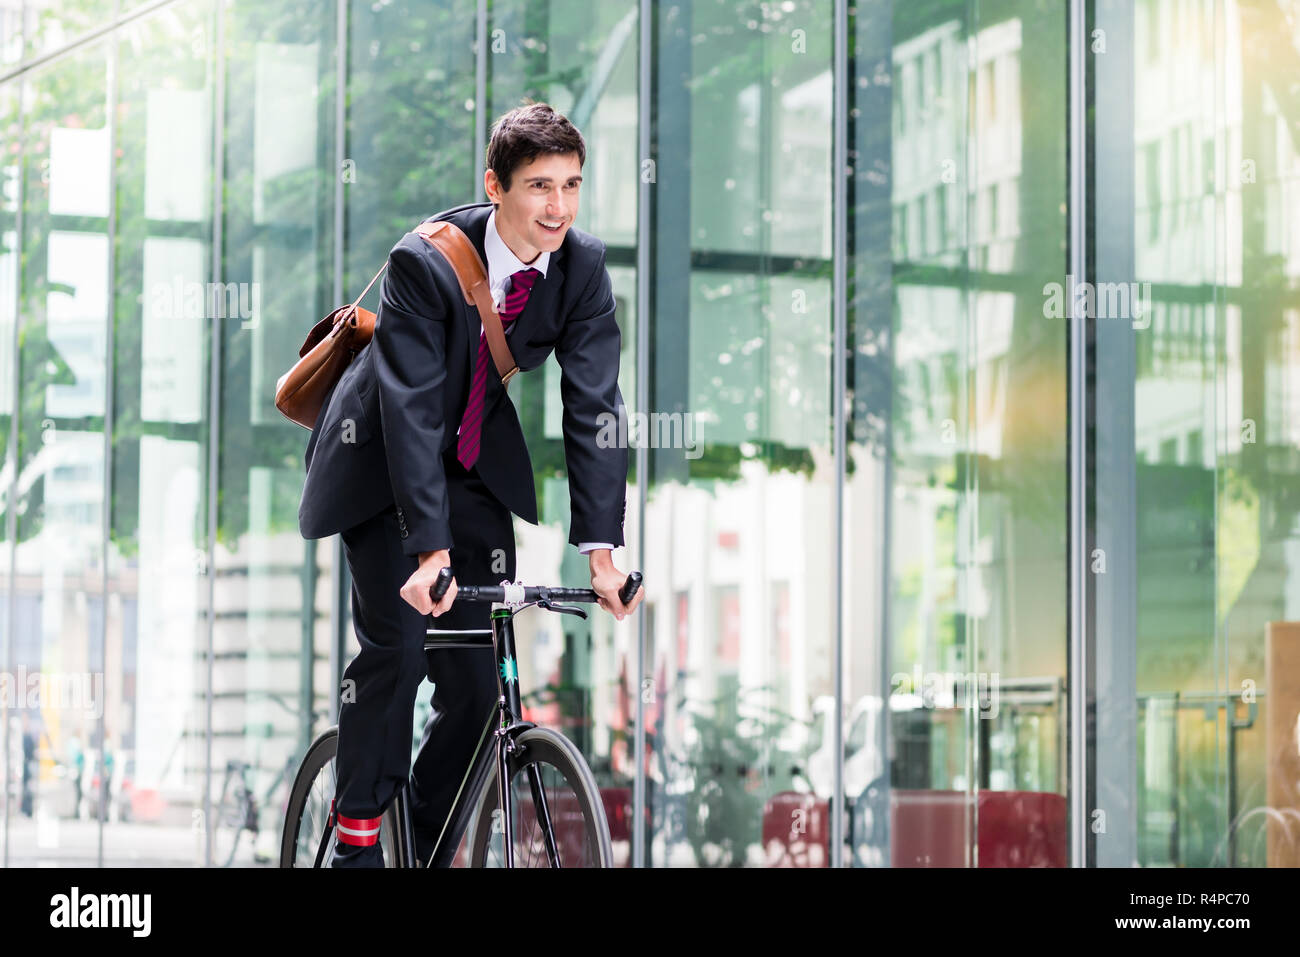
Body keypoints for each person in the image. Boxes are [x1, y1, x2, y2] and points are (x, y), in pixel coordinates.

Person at [298, 101, 644, 866]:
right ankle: (358, 843)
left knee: (483, 678)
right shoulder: (425, 262)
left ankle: (416, 841)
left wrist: (603, 554)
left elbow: (594, 407)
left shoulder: (582, 265)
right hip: (384, 456)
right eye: (539, 187)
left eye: (572, 185)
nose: (558, 207)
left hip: (472, 462)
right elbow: (412, 411)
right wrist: (428, 551)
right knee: (401, 645)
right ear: (496, 185)